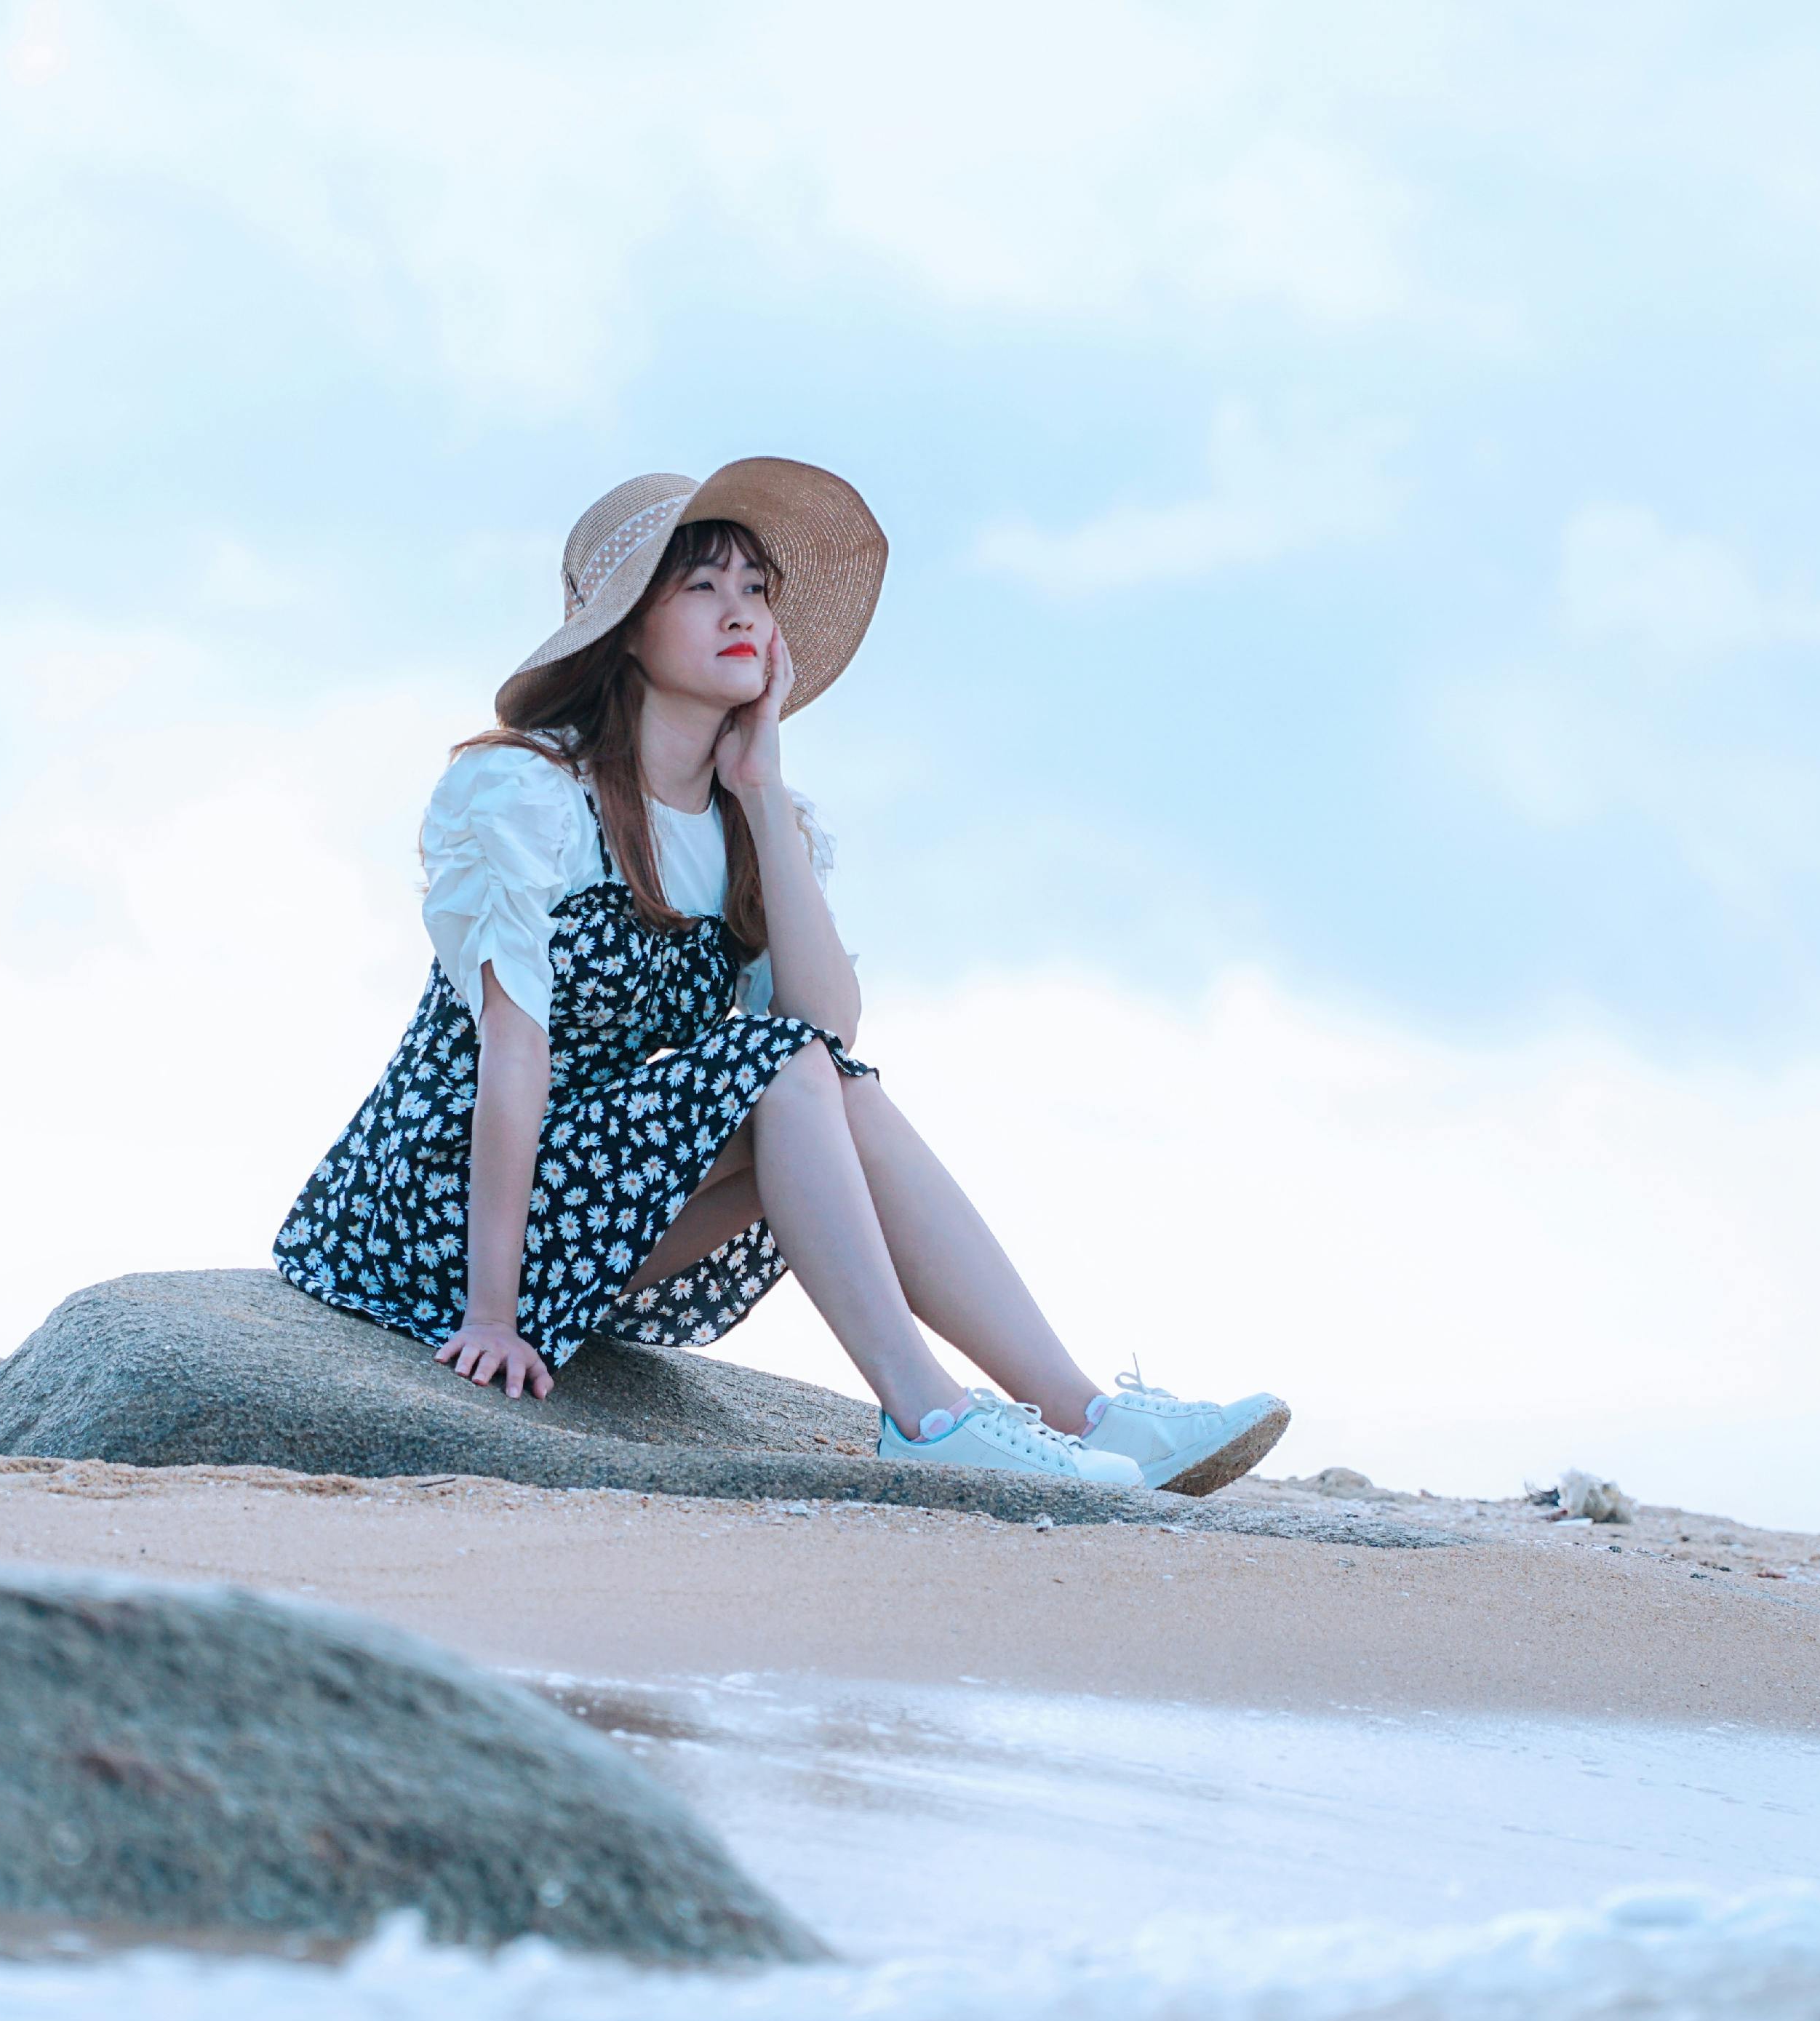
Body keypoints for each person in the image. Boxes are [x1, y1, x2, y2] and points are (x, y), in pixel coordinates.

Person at [274, 459, 1288, 1492]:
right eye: (702, 587)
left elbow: (829, 1033)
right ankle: (932, 1418)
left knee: (818, 1076)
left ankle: (1092, 1415)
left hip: (593, 1201)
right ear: (626, 627)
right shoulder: (527, 791)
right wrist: (491, 1311)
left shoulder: (757, 822)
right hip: (444, 1211)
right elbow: (512, 1044)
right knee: (783, 1067)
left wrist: (760, 792)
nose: (740, 613)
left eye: (757, 590)